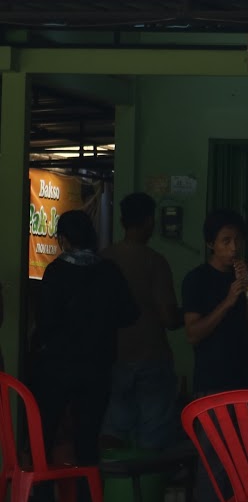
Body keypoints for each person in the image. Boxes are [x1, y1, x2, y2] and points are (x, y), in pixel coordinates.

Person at [28, 210, 139, 502]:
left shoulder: (57, 272)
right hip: (97, 369)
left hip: (57, 369)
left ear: (63, 239)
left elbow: (46, 323)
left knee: (44, 437)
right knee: (88, 442)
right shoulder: (110, 272)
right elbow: (130, 314)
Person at [182, 209, 248, 502]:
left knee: (247, 454)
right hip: (212, 381)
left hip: (244, 379)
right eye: (225, 241)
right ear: (210, 244)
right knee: (213, 458)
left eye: (237, 241)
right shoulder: (197, 280)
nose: (233, 248)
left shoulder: (245, 279)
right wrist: (228, 300)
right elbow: (193, 333)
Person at [101, 192, 183, 450]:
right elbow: (169, 318)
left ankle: (113, 487)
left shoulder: (104, 259)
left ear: (123, 221)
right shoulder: (154, 261)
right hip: (151, 356)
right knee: (153, 435)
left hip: (112, 356)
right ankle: (145, 489)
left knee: (113, 430)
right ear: (149, 221)